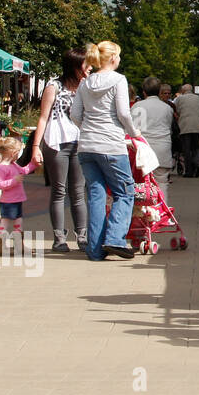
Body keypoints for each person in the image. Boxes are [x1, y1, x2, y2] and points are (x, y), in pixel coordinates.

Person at [69, 41, 139, 261]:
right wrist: (134, 133)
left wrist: (87, 129)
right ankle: (115, 239)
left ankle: (95, 249)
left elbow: (74, 114)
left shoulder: (85, 83)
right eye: (118, 55)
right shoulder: (118, 80)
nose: (119, 59)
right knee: (124, 192)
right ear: (112, 58)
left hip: (87, 145)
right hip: (111, 145)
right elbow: (124, 114)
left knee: (96, 196)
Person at [31, 48, 91, 252]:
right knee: (58, 191)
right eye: (86, 64)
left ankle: (82, 237)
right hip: (57, 142)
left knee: (78, 192)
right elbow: (43, 117)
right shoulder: (54, 86)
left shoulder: (87, 87)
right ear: (75, 66)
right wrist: (35, 147)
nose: (90, 68)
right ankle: (59, 238)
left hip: (80, 143)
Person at [130, 76, 176, 197]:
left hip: (142, 149)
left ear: (144, 91)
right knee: (162, 182)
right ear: (159, 91)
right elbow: (169, 127)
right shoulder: (167, 108)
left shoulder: (137, 106)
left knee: (141, 184)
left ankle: (144, 213)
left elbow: (132, 130)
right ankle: (162, 212)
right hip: (163, 149)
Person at [0, 136, 37, 252]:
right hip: (8, 201)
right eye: (18, 153)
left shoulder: (14, 165)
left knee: (18, 222)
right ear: (12, 153)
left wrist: (34, 163)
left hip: (17, 200)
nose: (19, 156)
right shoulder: (1, 168)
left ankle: (18, 244)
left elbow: (25, 170)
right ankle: (0, 244)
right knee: (5, 222)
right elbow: (0, 185)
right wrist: (14, 181)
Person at [173, 84, 199, 177]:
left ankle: (189, 171)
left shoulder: (179, 99)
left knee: (186, 149)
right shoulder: (197, 98)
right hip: (198, 126)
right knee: (196, 147)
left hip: (185, 126)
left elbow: (177, 111)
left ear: (183, 91)